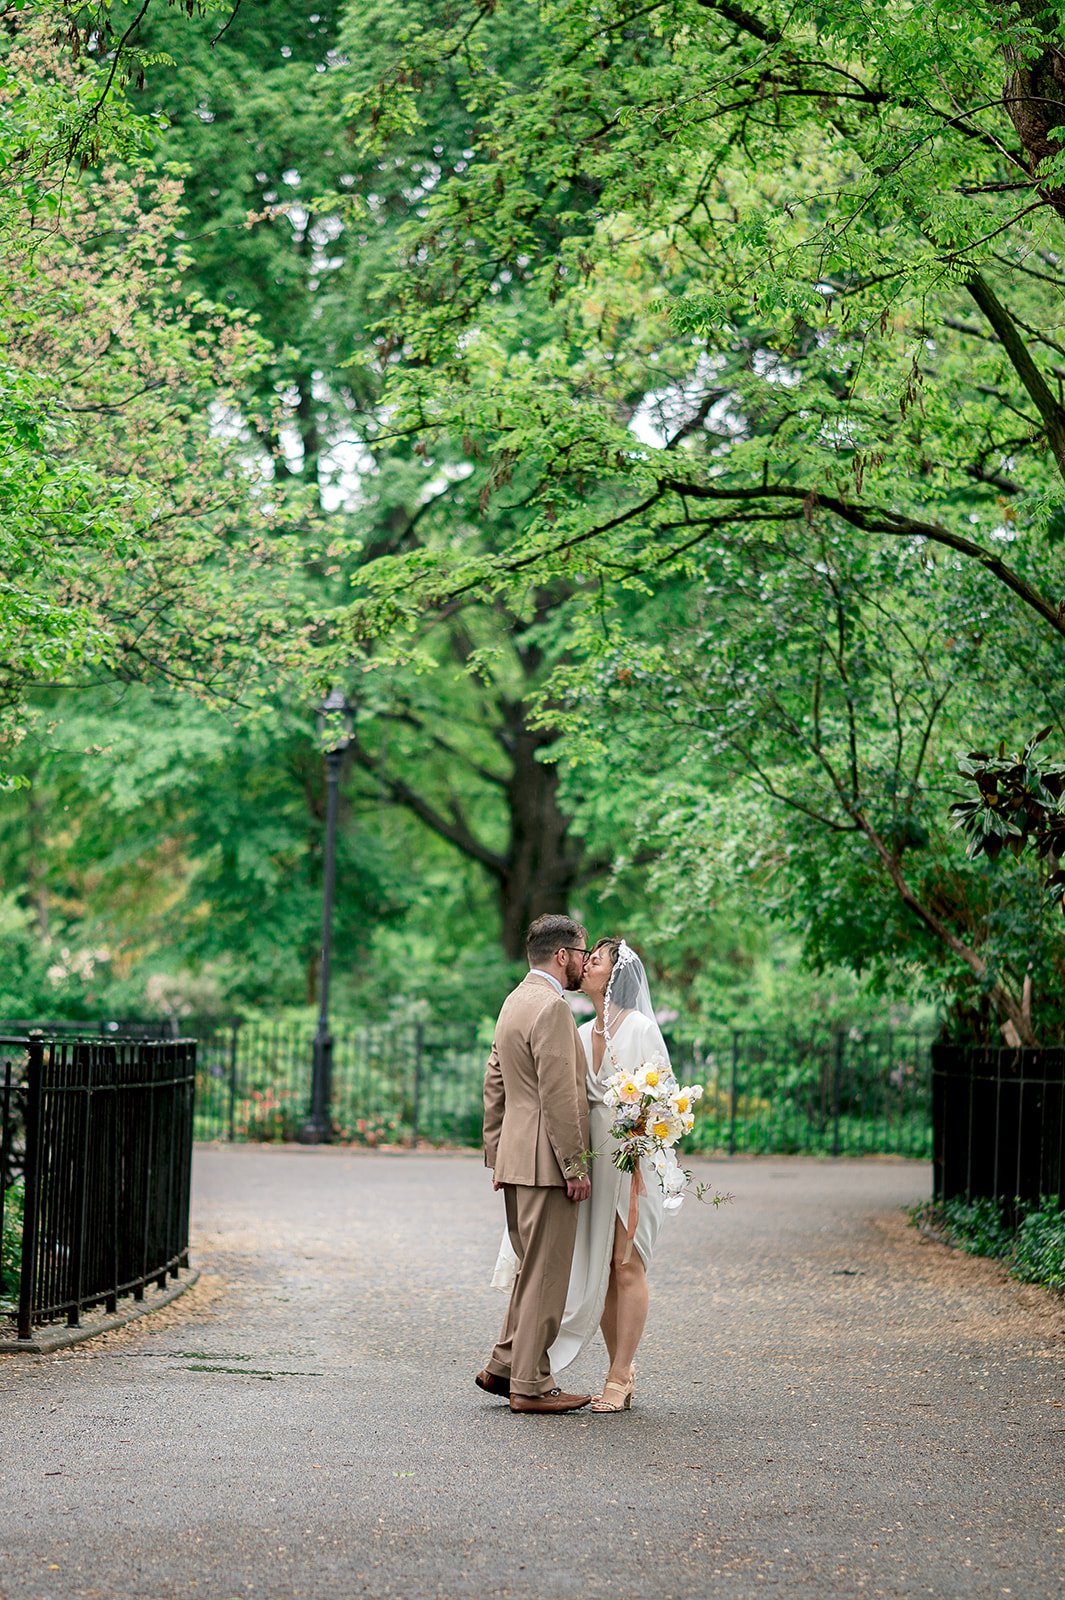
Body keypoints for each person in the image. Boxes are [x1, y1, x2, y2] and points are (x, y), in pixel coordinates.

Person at [492, 936, 674, 1412]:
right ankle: (545, 1363)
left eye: (595, 960)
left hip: (630, 1164)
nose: (585, 964)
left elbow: (666, 1099)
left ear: (615, 975)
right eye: (585, 956)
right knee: (596, 1268)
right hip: (592, 1164)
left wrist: (640, 1134)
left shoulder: (639, 1029)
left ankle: (621, 1375)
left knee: (626, 1265)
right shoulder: (579, 1027)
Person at [476, 913, 593, 1414]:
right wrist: (576, 1166)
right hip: (548, 1163)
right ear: (562, 955)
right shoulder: (552, 1009)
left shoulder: (513, 1001)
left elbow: (495, 1080)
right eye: (581, 954)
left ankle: (504, 1366)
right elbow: (560, 1095)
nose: (584, 964)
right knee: (546, 1275)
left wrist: (496, 1153)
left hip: (517, 1159)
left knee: (530, 1271)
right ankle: (532, 1385)